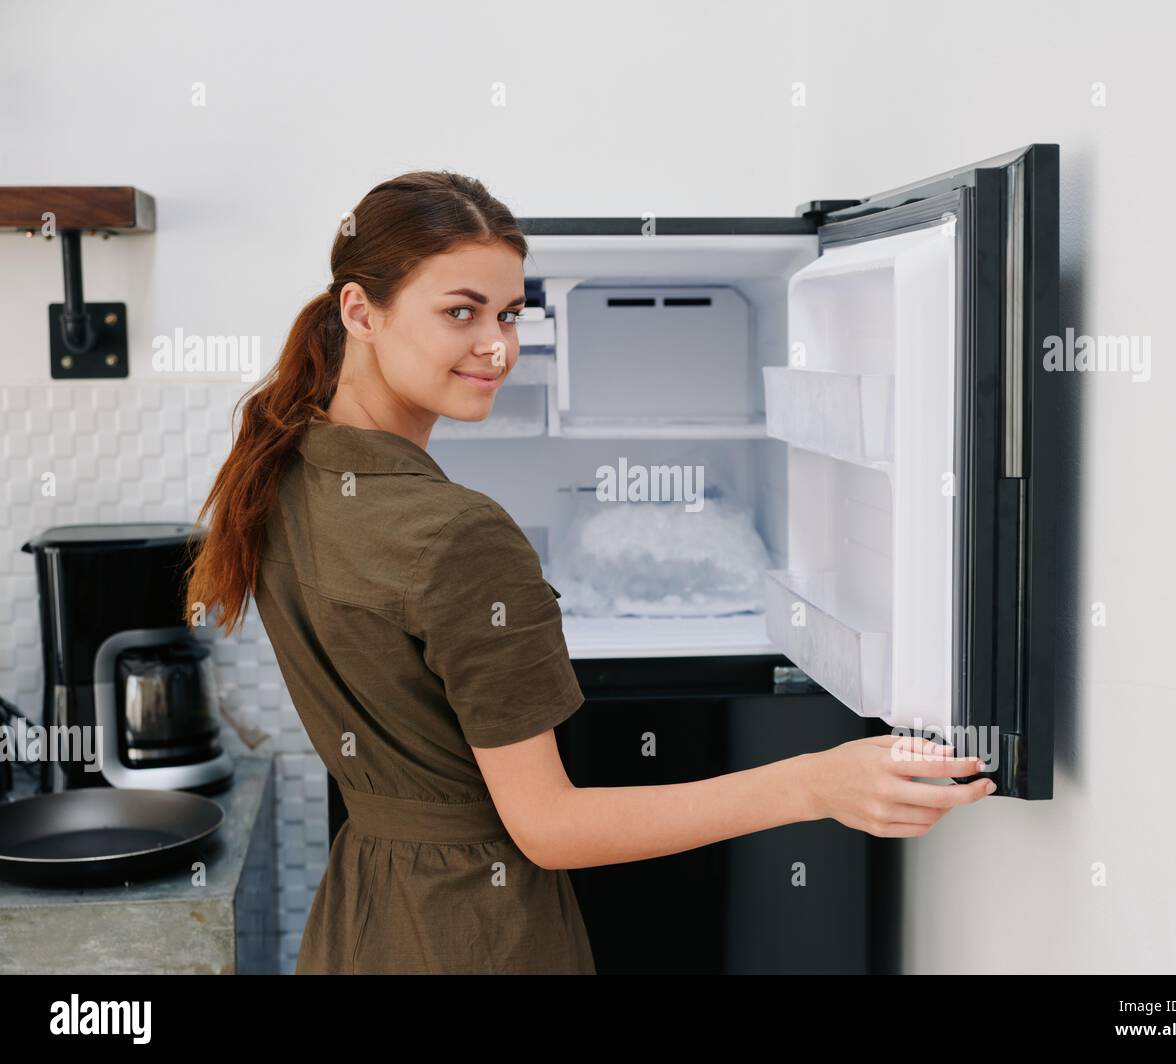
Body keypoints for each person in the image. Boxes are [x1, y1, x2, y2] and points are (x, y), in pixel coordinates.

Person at [180, 170, 994, 975]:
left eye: (509, 312)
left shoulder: (284, 467)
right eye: (459, 312)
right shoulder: (461, 536)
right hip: (474, 933)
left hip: (361, 913)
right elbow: (549, 827)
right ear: (360, 310)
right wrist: (818, 784)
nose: (497, 346)